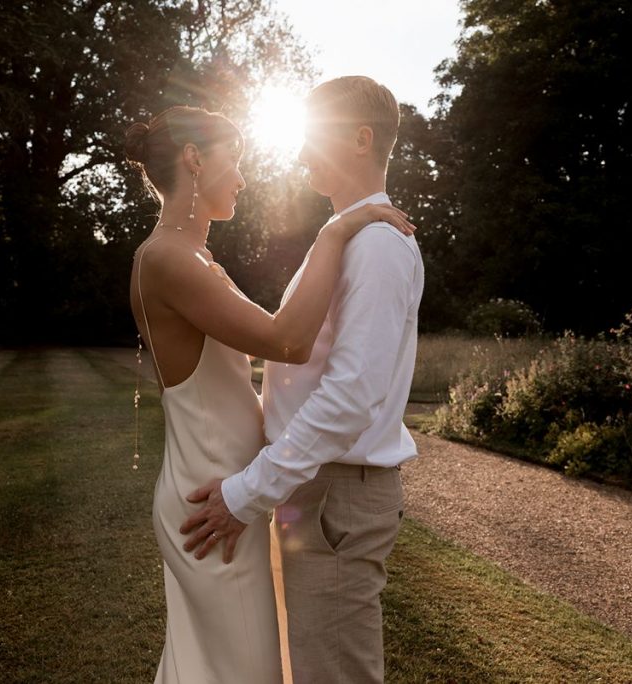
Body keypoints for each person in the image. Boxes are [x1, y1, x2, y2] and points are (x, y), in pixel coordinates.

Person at [125, 104, 415, 684]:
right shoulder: (166, 260)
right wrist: (336, 230)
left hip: (231, 487)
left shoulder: (202, 261)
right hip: (208, 495)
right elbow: (287, 340)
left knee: (225, 668)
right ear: (195, 158)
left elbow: (277, 343)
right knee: (242, 672)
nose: (243, 176)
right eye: (235, 157)